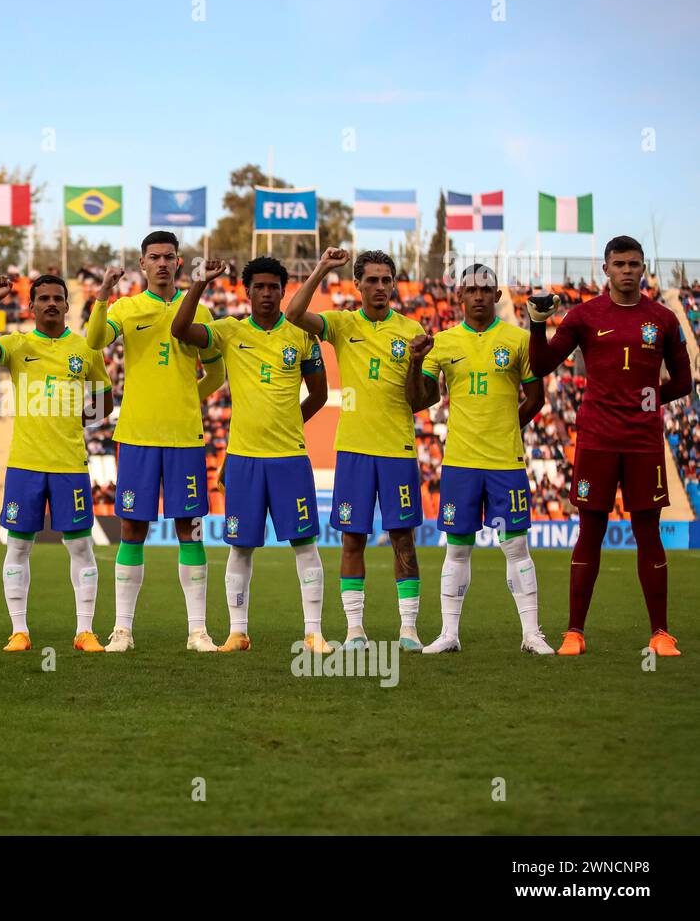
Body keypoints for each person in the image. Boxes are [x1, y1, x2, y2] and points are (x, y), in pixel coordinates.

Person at [526, 235, 693, 655]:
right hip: (597, 441)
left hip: (643, 443)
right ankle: (574, 633)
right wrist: (534, 324)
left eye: (634, 264)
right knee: (590, 533)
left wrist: (654, 396)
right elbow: (543, 364)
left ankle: (660, 634)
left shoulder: (665, 319)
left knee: (648, 533)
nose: (627, 271)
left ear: (643, 268)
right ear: (605, 269)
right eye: (619, 264)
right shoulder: (584, 316)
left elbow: (684, 382)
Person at [171, 256, 329, 652]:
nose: (266, 293)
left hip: (290, 458)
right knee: (240, 546)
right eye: (258, 287)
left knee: (305, 545)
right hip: (243, 459)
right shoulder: (228, 332)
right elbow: (180, 329)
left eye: (273, 287)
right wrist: (199, 283)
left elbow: (320, 394)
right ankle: (238, 632)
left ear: (282, 290)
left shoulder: (301, 336)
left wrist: (290, 425)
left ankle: (314, 632)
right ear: (247, 291)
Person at [83, 231, 227, 652]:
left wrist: (187, 400)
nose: (162, 263)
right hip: (138, 436)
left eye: (169, 257)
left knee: (191, 530)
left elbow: (217, 374)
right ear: (142, 265)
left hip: (184, 436)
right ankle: (122, 630)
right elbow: (94, 341)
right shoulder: (126, 308)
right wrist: (103, 296)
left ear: (179, 263)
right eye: (154, 257)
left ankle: (197, 631)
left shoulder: (200, 309)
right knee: (132, 528)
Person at [405, 263, 553, 654]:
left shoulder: (519, 339)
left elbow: (536, 398)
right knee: (458, 548)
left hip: (506, 463)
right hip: (460, 463)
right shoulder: (443, 342)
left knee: (516, 547)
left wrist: (507, 427)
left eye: (486, 289)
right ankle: (450, 634)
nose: (479, 296)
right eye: (470, 289)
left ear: (498, 296)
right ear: (459, 297)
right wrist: (416, 361)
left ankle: (531, 633)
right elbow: (420, 399)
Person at [285, 247, 426, 651]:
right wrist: (322, 268)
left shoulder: (411, 330)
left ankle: (409, 631)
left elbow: (418, 400)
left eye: (386, 279)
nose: (380, 287)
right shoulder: (342, 323)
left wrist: (417, 363)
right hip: (353, 451)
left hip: (398, 450)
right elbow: (293, 314)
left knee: (403, 538)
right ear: (358, 284)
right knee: (352, 541)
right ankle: (355, 632)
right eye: (372, 280)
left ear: (394, 284)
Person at [0, 273, 113, 652]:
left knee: (81, 548)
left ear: (67, 305)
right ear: (30, 307)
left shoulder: (86, 349)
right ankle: (20, 632)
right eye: (43, 298)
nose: (50, 303)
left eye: (57, 298)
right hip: (26, 465)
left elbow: (106, 401)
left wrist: (71, 416)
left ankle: (85, 632)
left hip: (70, 465)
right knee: (18, 547)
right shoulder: (17, 344)